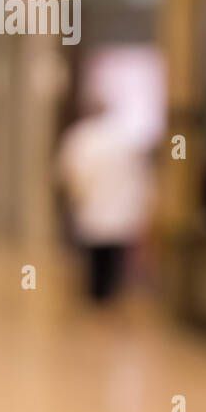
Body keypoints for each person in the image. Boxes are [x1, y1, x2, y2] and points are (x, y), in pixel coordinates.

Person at [57, 106, 155, 303]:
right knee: (112, 253)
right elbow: (141, 176)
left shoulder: (82, 137)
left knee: (97, 253)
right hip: (116, 207)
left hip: (95, 205)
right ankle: (107, 292)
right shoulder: (123, 139)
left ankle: (97, 292)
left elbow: (69, 171)